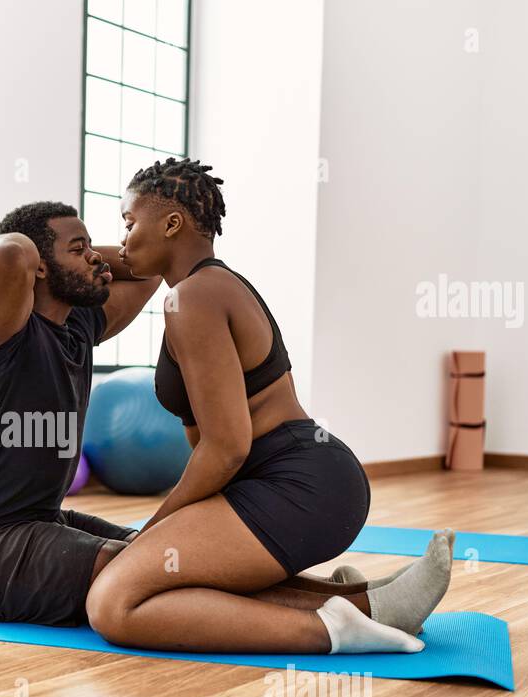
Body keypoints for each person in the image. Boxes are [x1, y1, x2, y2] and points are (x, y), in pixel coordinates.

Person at [84, 158, 454, 654]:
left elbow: (226, 448)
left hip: (298, 487)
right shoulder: (206, 288)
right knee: (170, 575)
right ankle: (366, 603)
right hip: (292, 482)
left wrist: (150, 531)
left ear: (172, 224)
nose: (123, 239)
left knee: (113, 603)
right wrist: (67, 256)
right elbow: (124, 263)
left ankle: (333, 633)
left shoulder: (193, 298)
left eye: (129, 223)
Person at [0, 201, 163, 626]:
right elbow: (10, 252)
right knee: (135, 569)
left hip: (43, 521)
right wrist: (47, 251)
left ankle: (299, 595)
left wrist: (76, 253)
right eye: (78, 249)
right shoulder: (1, 331)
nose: (96, 258)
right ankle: (298, 624)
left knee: (161, 548)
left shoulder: (80, 327)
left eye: (92, 246)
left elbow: (149, 267)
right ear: (38, 265)